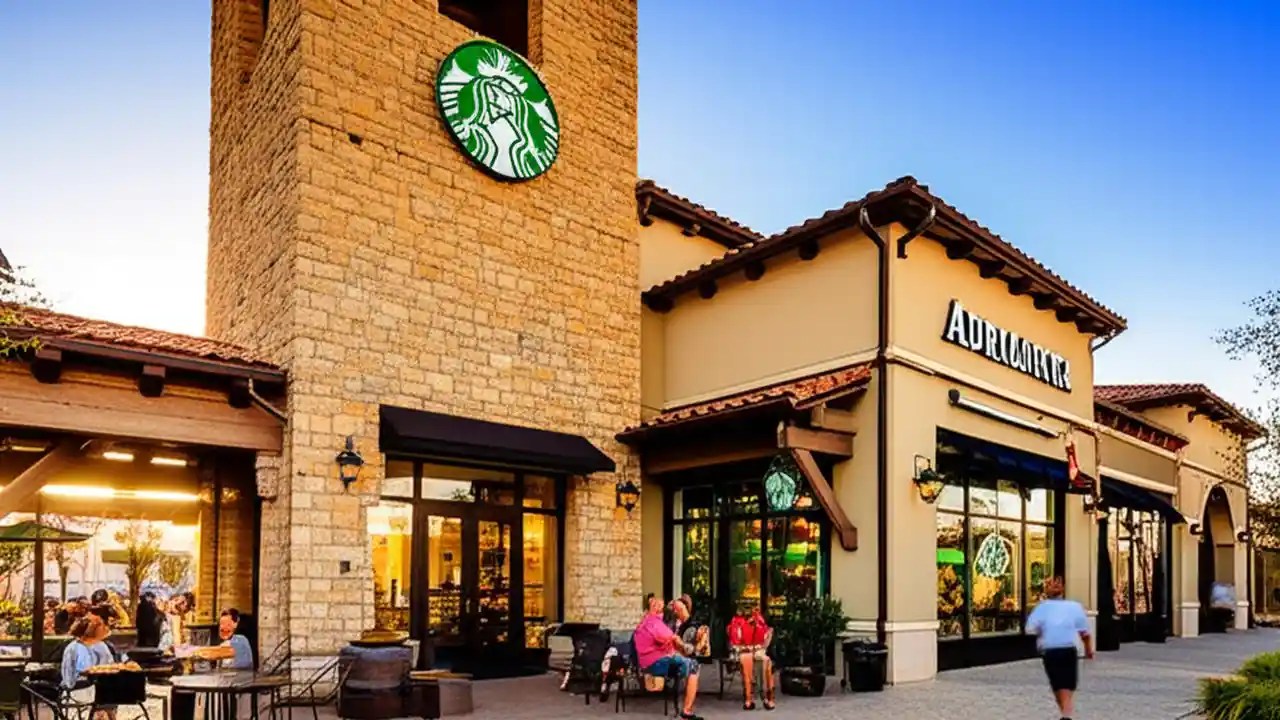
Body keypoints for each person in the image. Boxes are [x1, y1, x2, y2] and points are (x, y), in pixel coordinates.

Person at [1026, 577, 1093, 720]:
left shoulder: (1041, 608)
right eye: (1051, 583)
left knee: (1060, 684)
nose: (1054, 586)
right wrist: (1088, 649)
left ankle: (1066, 715)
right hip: (1065, 649)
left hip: (1051, 650)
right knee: (1064, 685)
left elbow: (1031, 628)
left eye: (1056, 583)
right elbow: (1084, 633)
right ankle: (1066, 714)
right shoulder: (1073, 607)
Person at [633, 596, 700, 720]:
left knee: (681, 664)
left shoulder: (645, 621)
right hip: (655, 663)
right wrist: (685, 647)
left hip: (646, 662)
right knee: (693, 665)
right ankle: (687, 711)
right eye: (659, 606)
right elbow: (672, 637)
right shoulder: (654, 622)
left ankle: (681, 705)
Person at [728, 605, 775, 710]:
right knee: (747, 660)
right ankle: (749, 698)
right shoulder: (736, 623)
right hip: (743, 651)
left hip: (758, 650)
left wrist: (763, 642)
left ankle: (768, 697)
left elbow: (766, 637)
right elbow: (735, 643)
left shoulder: (759, 623)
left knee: (766, 661)